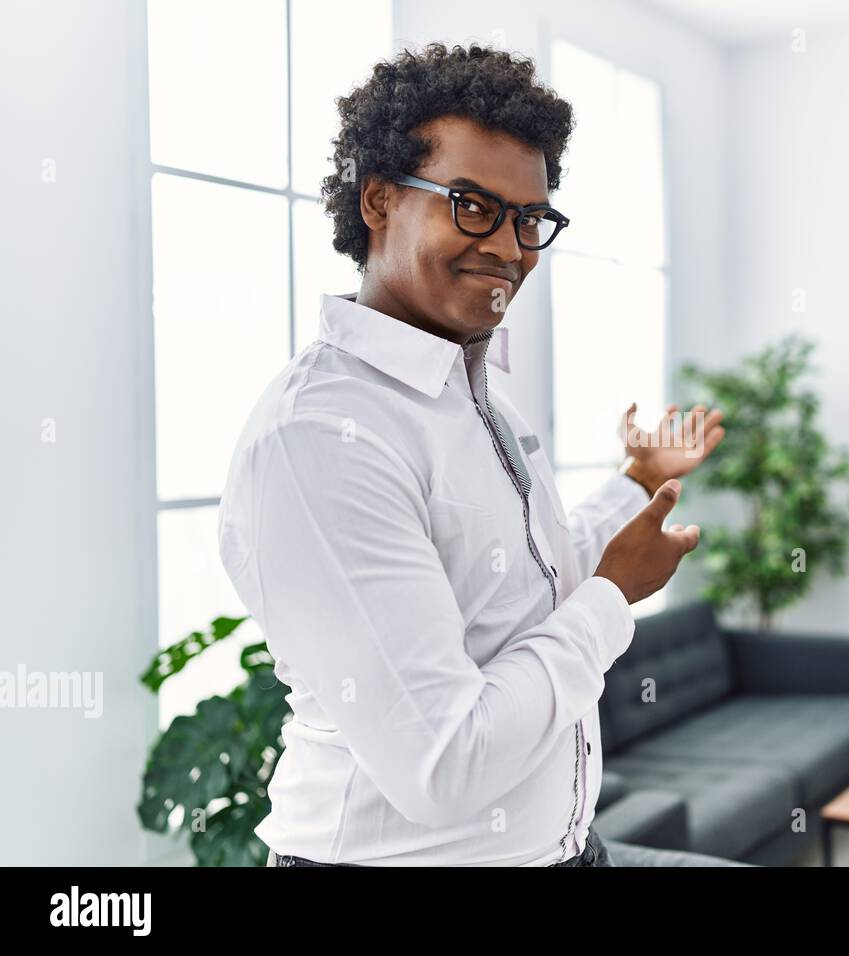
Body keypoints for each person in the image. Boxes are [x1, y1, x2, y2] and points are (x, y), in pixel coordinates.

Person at [218, 42, 727, 866]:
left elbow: (521, 590)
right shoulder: (318, 439)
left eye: (530, 219)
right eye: (471, 205)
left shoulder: (478, 390)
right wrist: (613, 599)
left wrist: (639, 482)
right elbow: (445, 766)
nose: (509, 246)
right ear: (377, 199)